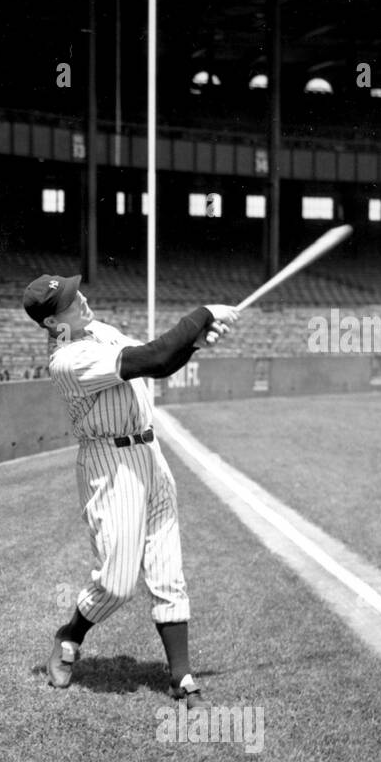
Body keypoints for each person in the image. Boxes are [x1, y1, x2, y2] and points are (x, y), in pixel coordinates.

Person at [23, 272, 239, 708]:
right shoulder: (67, 358)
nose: (80, 298)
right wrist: (203, 314)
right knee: (118, 584)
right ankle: (69, 636)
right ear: (51, 323)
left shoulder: (98, 330)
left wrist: (195, 343)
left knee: (166, 566)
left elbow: (157, 364)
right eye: (68, 300)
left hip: (148, 453)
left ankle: (182, 677)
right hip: (110, 464)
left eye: (75, 290)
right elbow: (154, 358)